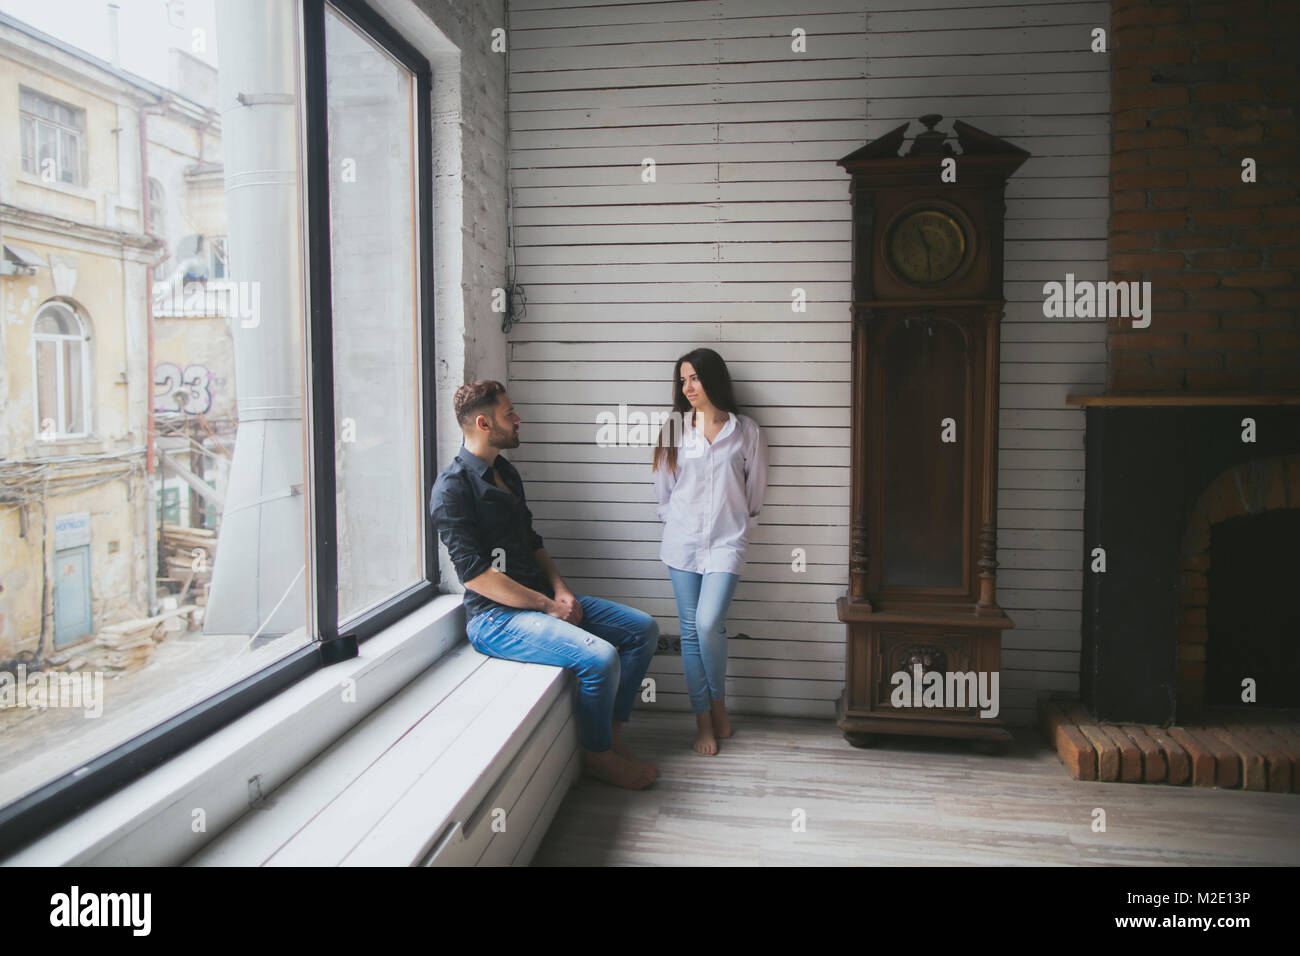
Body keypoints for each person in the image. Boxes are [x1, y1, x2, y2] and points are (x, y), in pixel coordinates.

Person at [430, 381, 660, 790]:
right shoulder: (451, 490)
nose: (518, 419)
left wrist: (561, 590)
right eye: (509, 414)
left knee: (641, 629)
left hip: (540, 600)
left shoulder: (506, 471)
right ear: (483, 423)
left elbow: (531, 540)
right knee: (601, 659)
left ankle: (611, 735)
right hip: (496, 619)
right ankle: (598, 756)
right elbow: (477, 576)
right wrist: (547, 606)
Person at [652, 348, 768, 756]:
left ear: (714, 380)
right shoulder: (674, 430)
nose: (688, 387)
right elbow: (664, 496)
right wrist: (681, 524)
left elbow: (754, 496)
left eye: (695, 378)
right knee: (690, 631)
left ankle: (718, 704)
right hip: (682, 545)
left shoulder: (746, 432)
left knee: (706, 624)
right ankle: (705, 718)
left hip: (726, 543)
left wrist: (734, 529)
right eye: (683, 380)